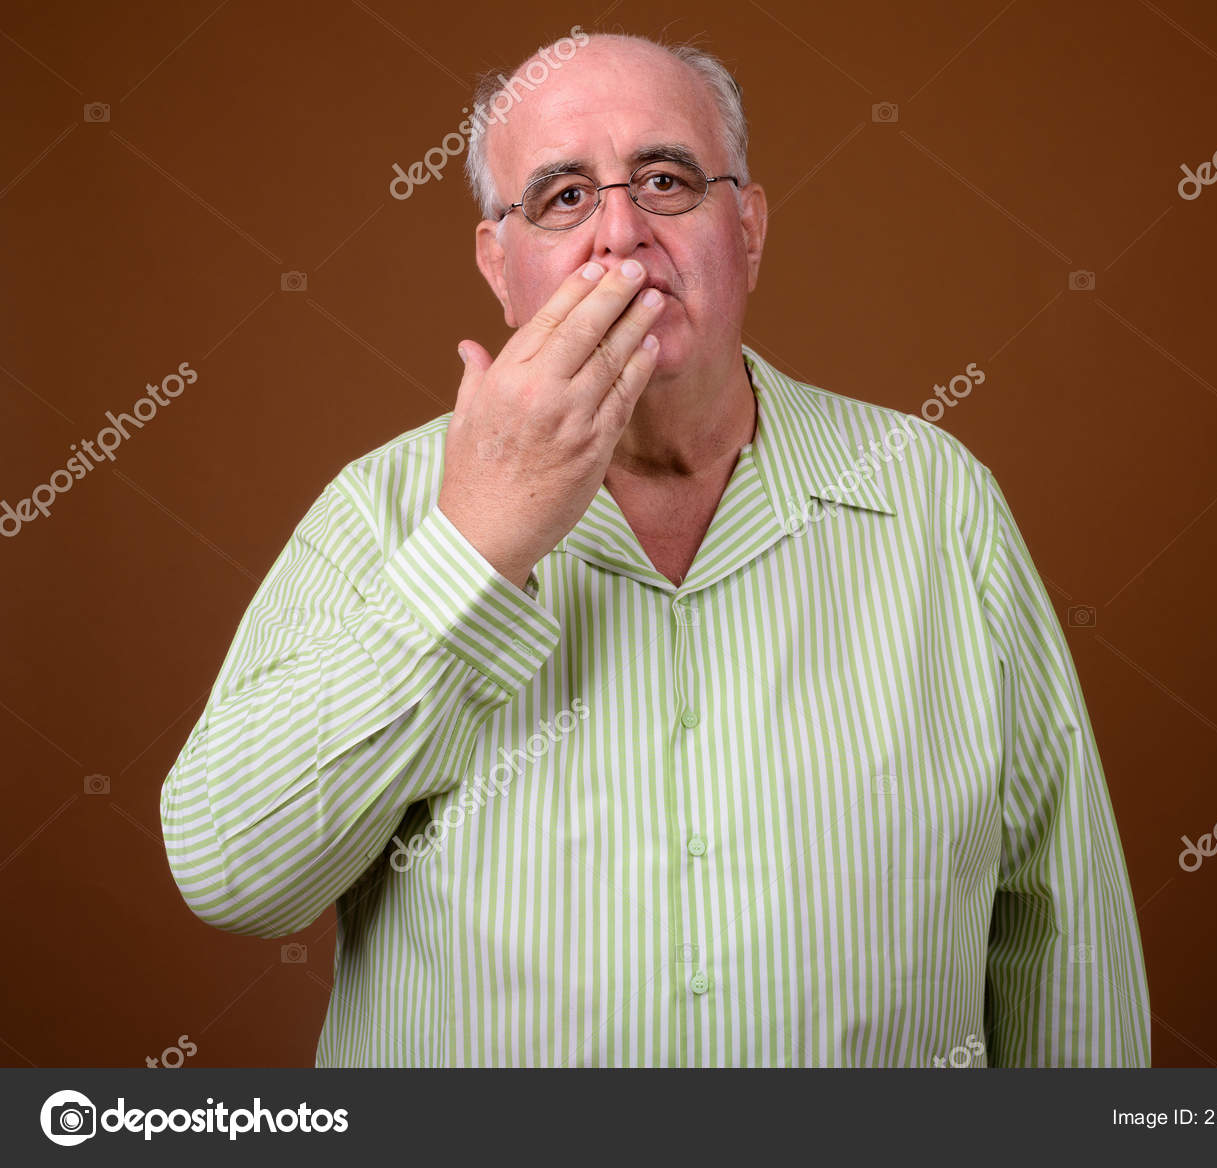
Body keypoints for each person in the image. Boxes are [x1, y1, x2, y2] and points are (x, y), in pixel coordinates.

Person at [159, 30, 1150, 1067]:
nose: (621, 234)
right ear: (501, 267)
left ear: (749, 229)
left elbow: (1061, 933)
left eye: (666, 181)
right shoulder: (376, 511)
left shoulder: (936, 500)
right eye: (564, 198)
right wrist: (476, 546)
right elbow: (236, 876)